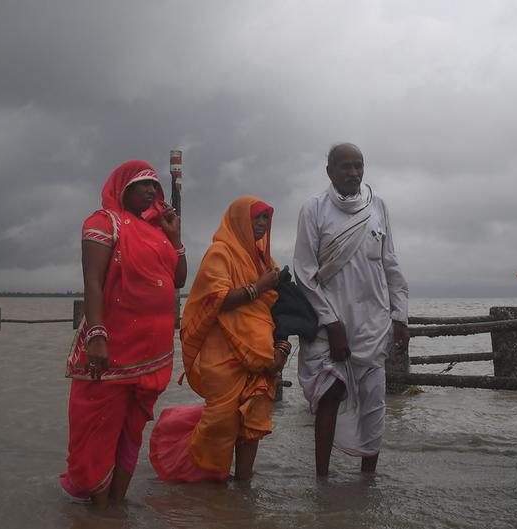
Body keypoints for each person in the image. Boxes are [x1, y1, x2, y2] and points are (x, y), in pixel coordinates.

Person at [61, 160, 186, 506]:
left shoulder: (158, 231)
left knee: (131, 431)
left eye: (154, 186)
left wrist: (175, 238)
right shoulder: (104, 222)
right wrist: (96, 335)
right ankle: (99, 512)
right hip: (112, 350)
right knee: (99, 428)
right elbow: (94, 281)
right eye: (142, 184)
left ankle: (116, 509)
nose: (150, 191)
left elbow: (178, 281)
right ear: (122, 188)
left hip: (151, 355)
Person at [149, 196, 287, 482]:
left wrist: (281, 345)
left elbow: (274, 306)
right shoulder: (220, 252)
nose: (262, 224)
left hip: (259, 350)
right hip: (223, 352)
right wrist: (259, 287)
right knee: (221, 421)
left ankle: (243, 489)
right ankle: (206, 483)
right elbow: (215, 299)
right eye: (256, 217)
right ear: (239, 219)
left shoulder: (263, 258)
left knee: (254, 416)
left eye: (266, 218)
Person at [294, 143, 409, 477]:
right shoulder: (313, 208)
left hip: (373, 325)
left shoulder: (379, 207)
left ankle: (367, 481)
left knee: (373, 403)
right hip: (329, 324)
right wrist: (331, 323)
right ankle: (322, 481)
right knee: (329, 397)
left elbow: (391, 263)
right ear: (330, 171)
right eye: (345, 166)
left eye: (359, 166)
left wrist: (399, 315)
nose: (353, 173)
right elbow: (304, 272)